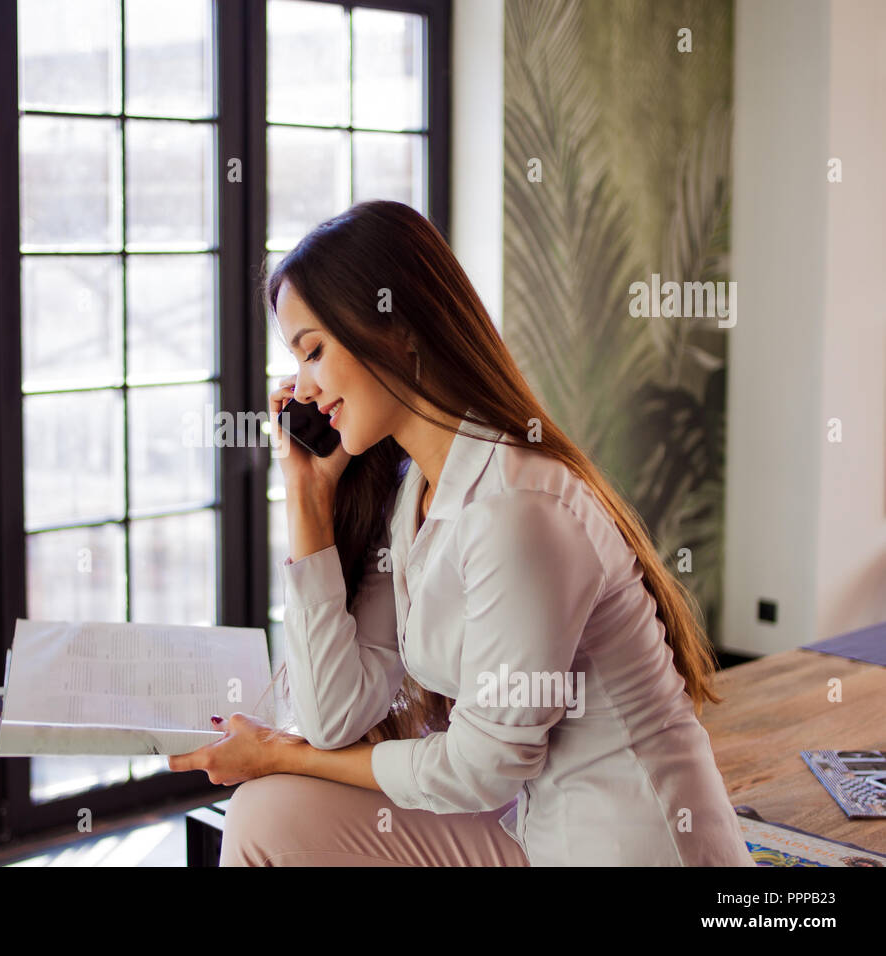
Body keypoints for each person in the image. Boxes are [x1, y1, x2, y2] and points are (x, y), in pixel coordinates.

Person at [167, 200, 754, 867]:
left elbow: (483, 770)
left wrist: (280, 753)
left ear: (400, 331)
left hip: (623, 849)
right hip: (532, 832)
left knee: (280, 789)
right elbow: (335, 716)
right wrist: (307, 494)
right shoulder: (416, 494)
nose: (303, 388)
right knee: (269, 813)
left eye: (314, 351)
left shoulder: (517, 510)